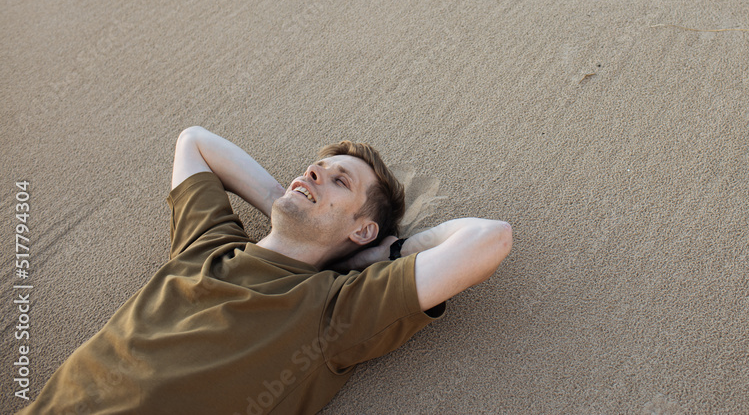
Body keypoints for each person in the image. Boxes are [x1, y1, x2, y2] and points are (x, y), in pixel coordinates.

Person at [19, 126, 512, 414]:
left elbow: (489, 239)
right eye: (315, 169)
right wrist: (289, 199)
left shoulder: (334, 309)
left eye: (339, 180)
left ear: (362, 229)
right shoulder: (207, 247)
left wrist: (379, 255)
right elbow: (194, 141)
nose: (314, 172)